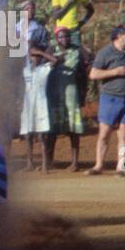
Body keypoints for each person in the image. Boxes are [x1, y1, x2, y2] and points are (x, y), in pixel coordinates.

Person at [88, 25, 125, 175]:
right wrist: (115, 72)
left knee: (124, 133)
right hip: (110, 97)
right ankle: (98, 165)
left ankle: (123, 167)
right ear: (120, 35)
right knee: (104, 132)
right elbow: (93, 74)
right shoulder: (106, 52)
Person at [17, 0, 54, 170]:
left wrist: (39, 57)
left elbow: (47, 48)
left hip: (39, 71)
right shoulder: (15, 29)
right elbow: (12, 53)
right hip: (23, 73)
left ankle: (44, 161)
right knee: (27, 120)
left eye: (33, 8)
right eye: (28, 8)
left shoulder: (39, 29)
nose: (31, 11)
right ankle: (29, 161)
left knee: (39, 121)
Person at [46, 25, 84, 171]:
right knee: (53, 129)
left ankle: (75, 162)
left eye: (67, 36)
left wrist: (83, 93)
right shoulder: (51, 51)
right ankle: (49, 160)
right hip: (55, 94)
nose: (64, 39)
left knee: (74, 129)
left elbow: (82, 71)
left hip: (71, 93)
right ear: (56, 39)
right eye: (61, 37)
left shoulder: (76, 51)